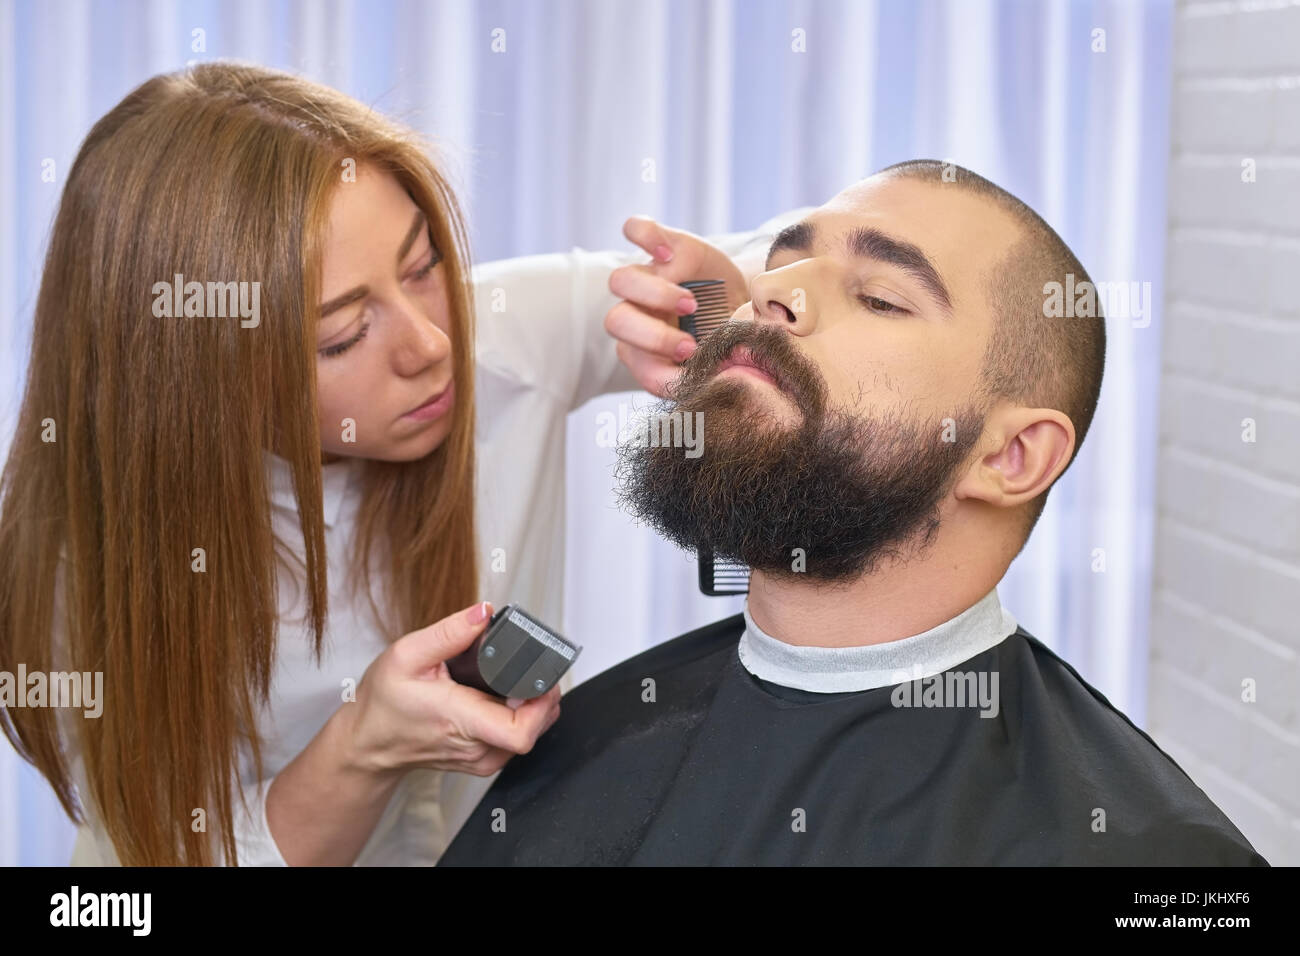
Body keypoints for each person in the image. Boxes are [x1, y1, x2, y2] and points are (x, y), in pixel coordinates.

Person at [0, 61, 800, 866]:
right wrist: (364, 746)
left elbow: (830, 264)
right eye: (342, 336)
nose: (431, 345)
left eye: (422, 268)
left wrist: (724, 295)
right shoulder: (81, 565)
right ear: (188, 373)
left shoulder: (508, 339)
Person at [437, 161, 1269, 866]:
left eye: (879, 298)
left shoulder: (1153, 860)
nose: (771, 295)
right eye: (781, 261)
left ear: (1010, 457)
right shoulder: (586, 743)